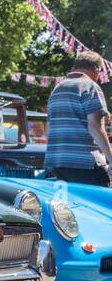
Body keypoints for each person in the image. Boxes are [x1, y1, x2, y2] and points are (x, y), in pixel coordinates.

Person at [44, 51, 111, 187]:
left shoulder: (57, 89)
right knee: (99, 206)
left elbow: (49, 130)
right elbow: (95, 127)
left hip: (58, 164)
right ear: (97, 70)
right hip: (86, 164)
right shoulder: (90, 87)